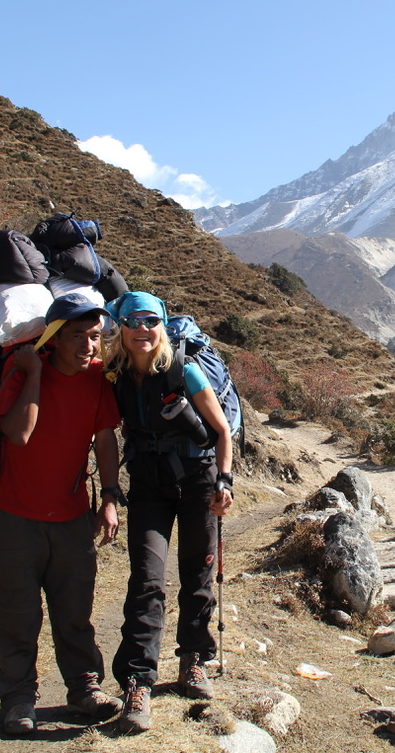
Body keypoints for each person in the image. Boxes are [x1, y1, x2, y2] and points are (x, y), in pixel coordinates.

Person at [0, 293, 124, 735]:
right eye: (77, 337)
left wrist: (107, 497)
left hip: (70, 517)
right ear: (53, 338)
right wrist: (30, 373)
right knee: (18, 614)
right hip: (15, 516)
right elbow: (19, 434)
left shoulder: (97, 380)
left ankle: (85, 689)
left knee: (74, 611)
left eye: (95, 337)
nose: (89, 346)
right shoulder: (24, 373)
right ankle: (18, 700)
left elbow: (105, 440)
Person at [103, 291, 234, 734]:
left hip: (197, 480)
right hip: (147, 483)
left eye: (150, 322)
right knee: (146, 579)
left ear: (161, 326)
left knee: (198, 571)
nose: (142, 329)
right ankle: (138, 682)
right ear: (120, 328)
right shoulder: (114, 375)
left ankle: (193, 660)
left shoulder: (183, 370)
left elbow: (221, 432)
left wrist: (225, 481)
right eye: (133, 322)